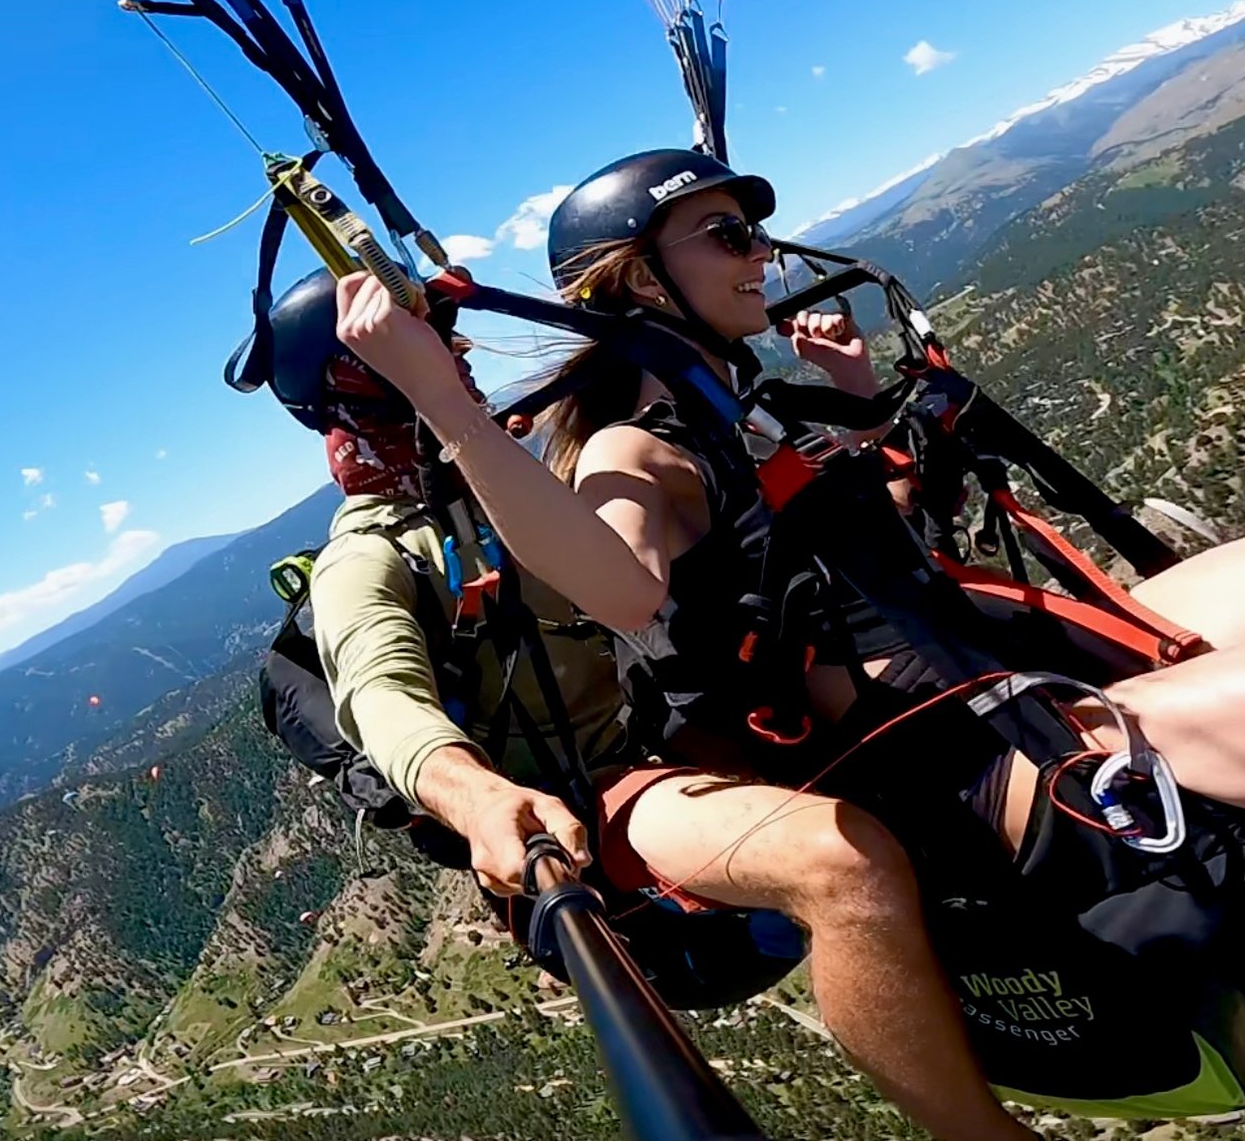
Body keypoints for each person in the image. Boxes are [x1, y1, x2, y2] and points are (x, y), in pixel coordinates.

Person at [332, 147, 1245, 1141]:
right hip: (995, 754)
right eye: (720, 231)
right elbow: (621, 581)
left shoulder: (737, 401)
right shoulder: (637, 442)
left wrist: (872, 415)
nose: (758, 246)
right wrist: (447, 404)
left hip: (1030, 652)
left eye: (750, 220)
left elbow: (844, 552)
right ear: (639, 277)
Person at [259, 268, 1019, 1116]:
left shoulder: (504, 477)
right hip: (602, 804)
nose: (462, 355)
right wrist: (474, 798)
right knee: (840, 861)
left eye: (446, 339)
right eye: (429, 347)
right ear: (366, 384)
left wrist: (851, 391)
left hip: (691, 721)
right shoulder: (369, 559)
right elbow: (382, 698)